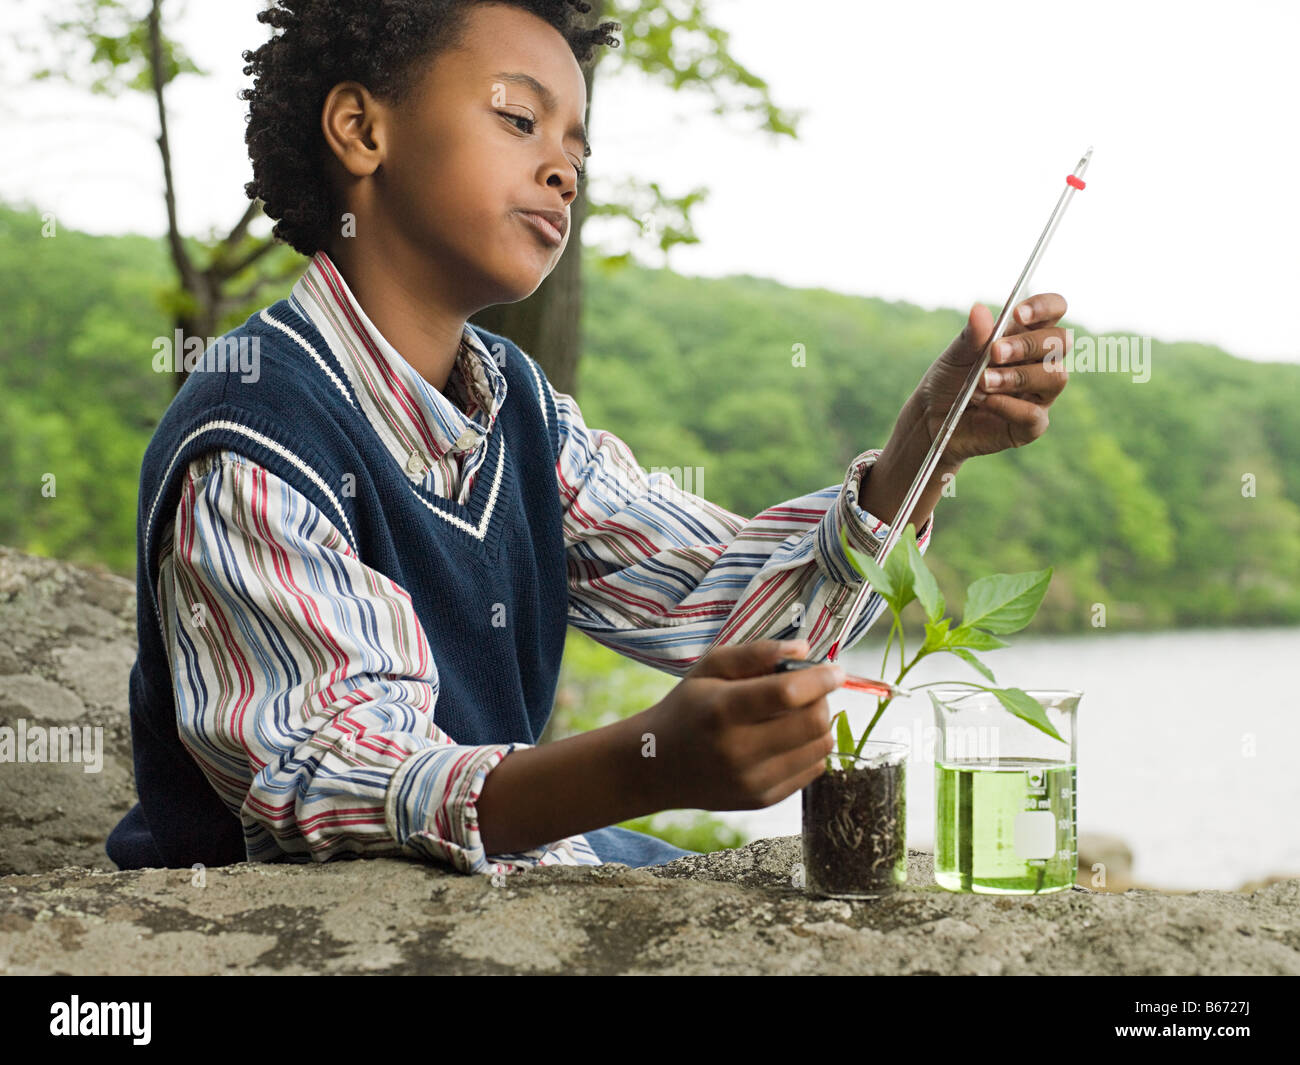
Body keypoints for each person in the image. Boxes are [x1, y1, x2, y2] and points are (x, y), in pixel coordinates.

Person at [106, 0, 1069, 876]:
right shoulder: (258, 434)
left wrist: (922, 452)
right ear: (364, 129)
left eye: (577, 148)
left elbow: (726, 605)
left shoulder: (518, 410)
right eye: (518, 120)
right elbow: (340, 779)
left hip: (496, 882)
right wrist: (645, 761)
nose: (563, 168)